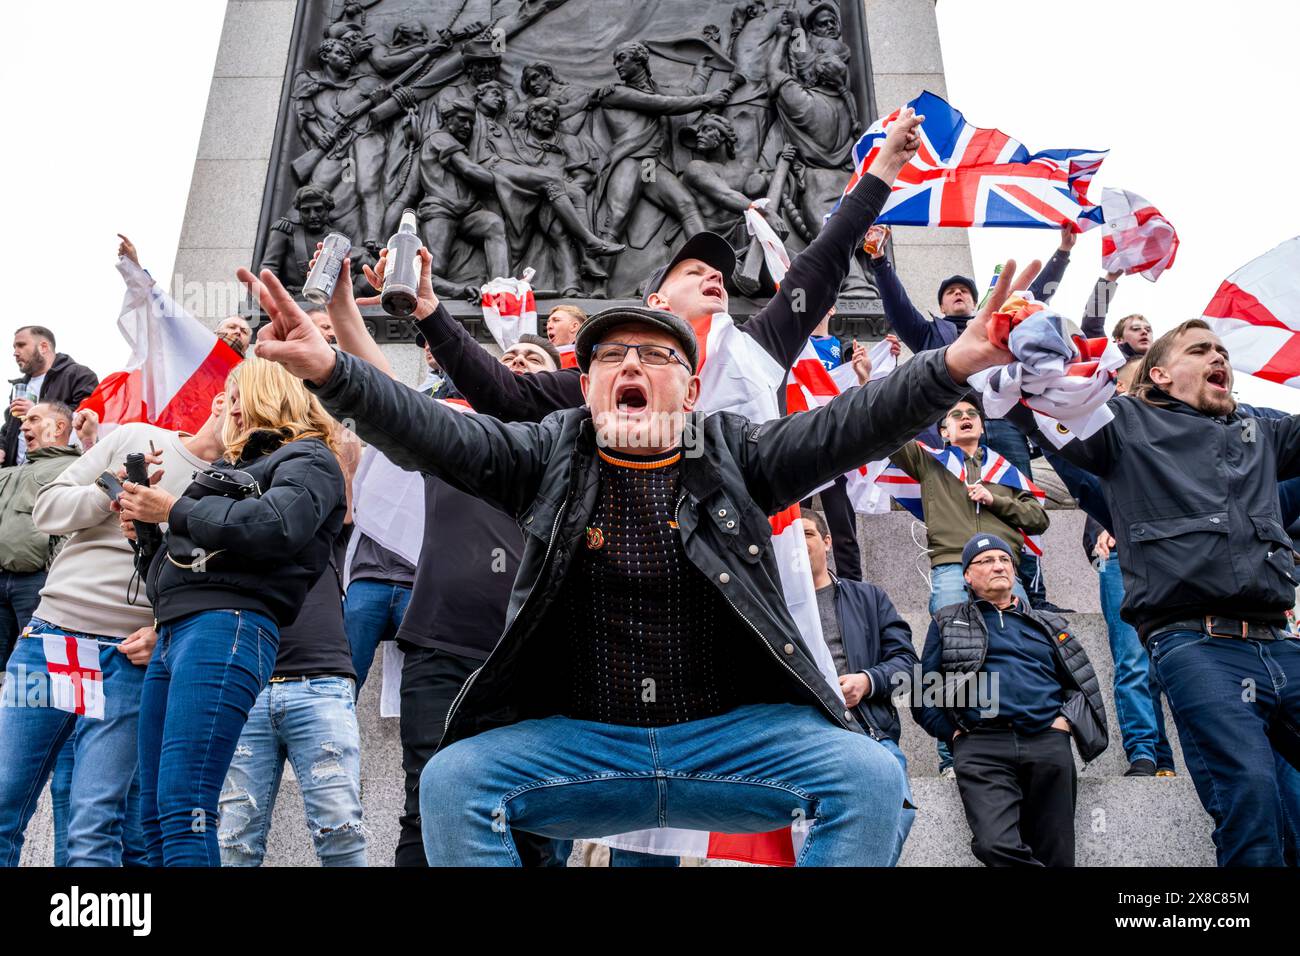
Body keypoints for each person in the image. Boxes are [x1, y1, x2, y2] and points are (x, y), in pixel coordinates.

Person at [244, 228, 1040, 864]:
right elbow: (434, 431)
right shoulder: (545, 454)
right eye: (610, 357)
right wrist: (332, 371)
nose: (631, 365)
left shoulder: (738, 453)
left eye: (656, 355)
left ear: (689, 390)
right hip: (586, 742)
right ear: (583, 386)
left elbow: (853, 422)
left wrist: (956, 361)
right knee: (454, 781)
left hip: (727, 739)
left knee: (871, 776)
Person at [1002, 319, 1300, 866]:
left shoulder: (1263, 432)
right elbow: (1047, 410)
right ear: (1159, 374)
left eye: (1223, 350)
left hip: (1281, 641)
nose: (1219, 357)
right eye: (1201, 349)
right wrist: (1016, 373)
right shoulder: (1124, 426)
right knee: (1252, 804)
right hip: (1201, 648)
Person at [119, 357, 347, 866]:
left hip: (229, 625)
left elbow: (275, 525)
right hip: (177, 632)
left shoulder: (309, 459)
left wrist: (173, 509)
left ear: (266, 395)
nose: (228, 408)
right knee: (155, 815)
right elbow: (183, 564)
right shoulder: (232, 470)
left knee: (185, 808)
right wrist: (149, 529)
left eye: (235, 394)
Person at [0, 396, 226, 866]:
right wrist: (114, 490)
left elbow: (225, 587)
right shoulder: (133, 438)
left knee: (96, 821)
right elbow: (47, 510)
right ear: (221, 399)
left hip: (125, 659)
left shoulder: (240, 487)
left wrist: (163, 629)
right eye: (247, 402)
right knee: (3, 800)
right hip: (49, 639)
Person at [863, 224, 1078, 611]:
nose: (957, 293)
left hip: (1005, 426)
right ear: (943, 306)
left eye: (964, 290)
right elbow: (898, 307)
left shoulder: (1000, 328)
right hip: (953, 431)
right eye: (949, 292)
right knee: (959, 507)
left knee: (1018, 502)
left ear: (977, 302)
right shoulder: (930, 336)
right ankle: (962, 582)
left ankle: (1036, 597)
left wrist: (1062, 253)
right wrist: (879, 261)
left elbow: (1033, 294)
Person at [913, 534, 1108, 867]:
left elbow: (1080, 682)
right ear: (967, 577)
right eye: (986, 561)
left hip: (1047, 741)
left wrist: (1064, 723)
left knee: (1056, 854)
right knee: (994, 845)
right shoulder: (947, 621)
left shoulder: (1050, 623)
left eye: (1004, 560)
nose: (998, 565)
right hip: (982, 744)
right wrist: (954, 734)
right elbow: (923, 693)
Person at [218, 529, 366, 867]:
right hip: (247, 689)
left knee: (341, 829)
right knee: (233, 840)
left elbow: (343, 479)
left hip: (321, 684)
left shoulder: (319, 518)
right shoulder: (224, 522)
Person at [802, 509, 917, 865]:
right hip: (802, 736)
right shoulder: (768, 605)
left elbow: (907, 667)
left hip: (867, 733)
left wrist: (867, 681)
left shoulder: (869, 598)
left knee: (897, 808)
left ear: (827, 541)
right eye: (789, 538)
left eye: (806, 534)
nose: (797, 544)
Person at [885, 399, 1047, 616]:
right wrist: (866, 382)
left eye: (972, 413)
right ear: (944, 432)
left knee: (1018, 643)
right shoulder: (928, 462)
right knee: (954, 642)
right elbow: (888, 431)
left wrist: (995, 500)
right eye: (956, 415)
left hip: (1001, 566)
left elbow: (1039, 520)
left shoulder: (1004, 471)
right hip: (953, 566)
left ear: (981, 428)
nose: (965, 417)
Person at [0, 403, 79, 664]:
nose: (23, 426)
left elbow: (74, 526)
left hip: (37, 584)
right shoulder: (12, 471)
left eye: (34, 419)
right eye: (24, 421)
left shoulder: (77, 467)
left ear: (59, 427)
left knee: (36, 666)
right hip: (2, 579)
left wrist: (51, 574)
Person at [2, 326, 98, 468]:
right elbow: (9, 428)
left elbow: (86, 419)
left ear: (44, 347)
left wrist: (36, 411)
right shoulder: (20, 386)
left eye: (21, 345)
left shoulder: (79, 375)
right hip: (18, 473)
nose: (15, 353)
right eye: (14, 347)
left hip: (57, 470)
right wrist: (2, 447)